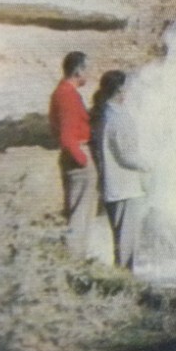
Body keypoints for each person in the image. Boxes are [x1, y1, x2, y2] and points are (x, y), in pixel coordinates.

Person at [90, 70, 148, 270]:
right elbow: (126, 156)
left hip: (113, 186)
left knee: (120, 238)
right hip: (125, 187)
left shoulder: (103, 114)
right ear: (120, 90)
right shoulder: (118, 117)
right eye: (126, 87)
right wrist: (148, 165)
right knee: (127, 241)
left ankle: (121, 276)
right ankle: (124, 279)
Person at [48, 50, 96, 257]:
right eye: (87, 69)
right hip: (78, 156)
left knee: (77, 209)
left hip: (72, 155)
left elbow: (56, 128)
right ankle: (74, 258)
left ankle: (74, 256)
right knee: (80, 212)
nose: (89, 74)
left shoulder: (60, 92)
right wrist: (83, 159)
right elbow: (67, 137)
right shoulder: (67, 95)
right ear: (78, 71)